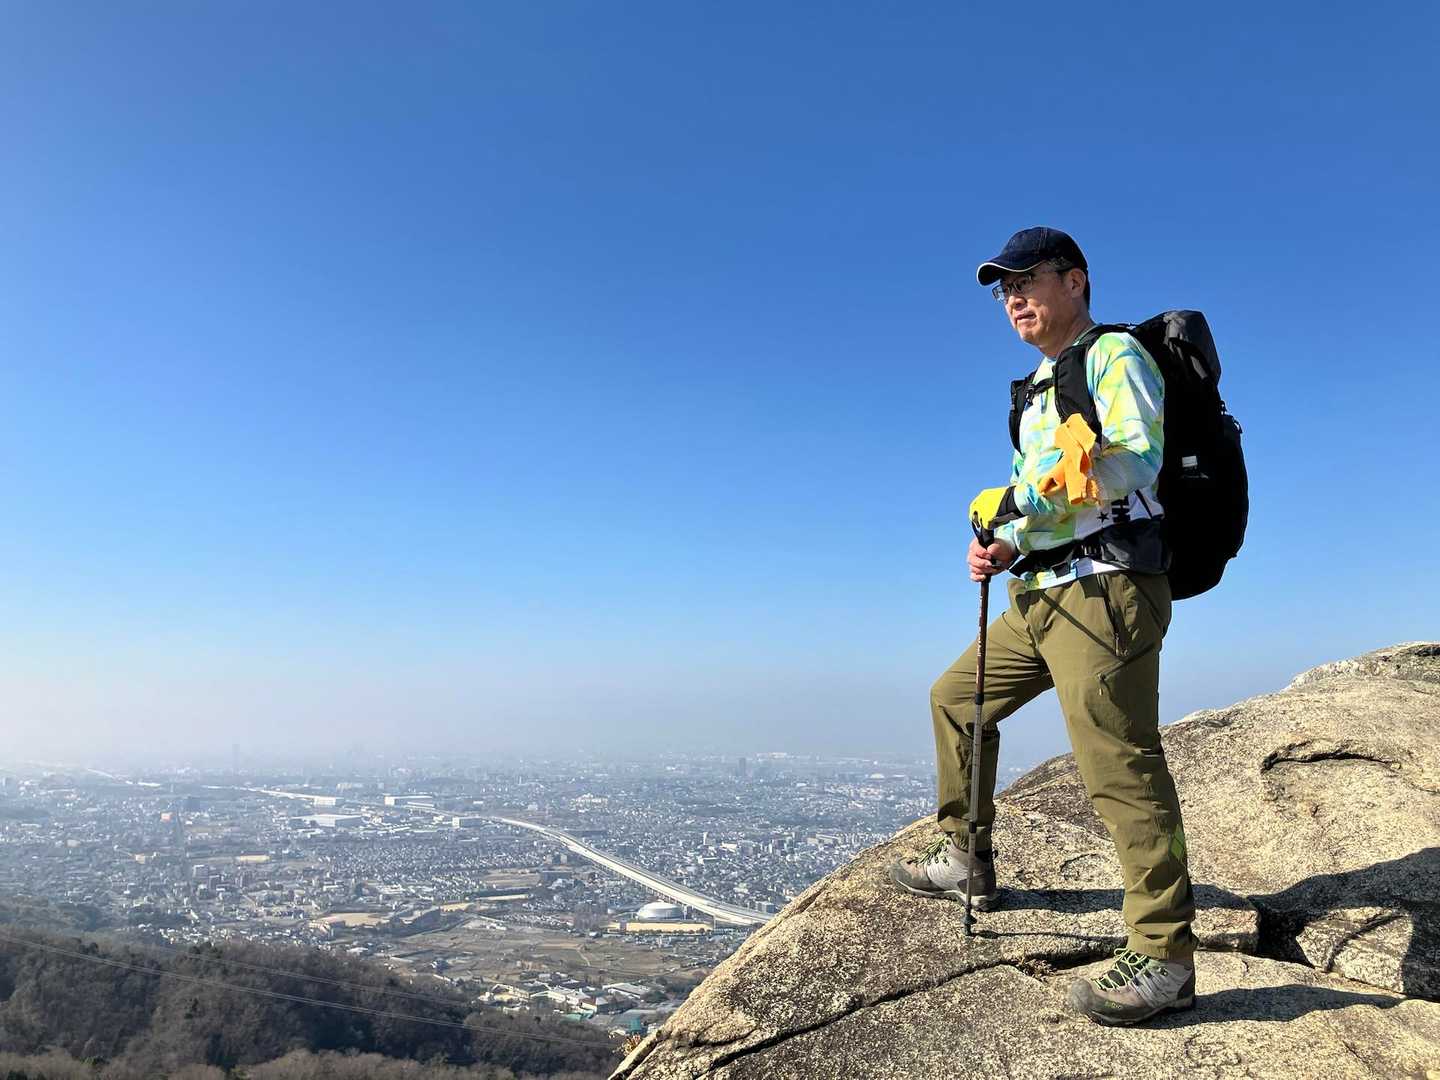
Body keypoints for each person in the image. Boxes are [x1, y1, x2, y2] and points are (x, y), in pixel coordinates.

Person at [888, 226, 1197, 1025]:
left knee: (1117, 764)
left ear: (1076, 281)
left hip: (1105, 589)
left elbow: (1135, 460)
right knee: (956, 700)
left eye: (1028, 281)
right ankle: (965, 854)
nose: (1014, 299)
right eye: (1005, 289)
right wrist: (1005, 542)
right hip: (1043, 589)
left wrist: (1020, 499)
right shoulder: (1036, 386)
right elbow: (1051, 501)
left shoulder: (1113, 356)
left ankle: (1164, 954)